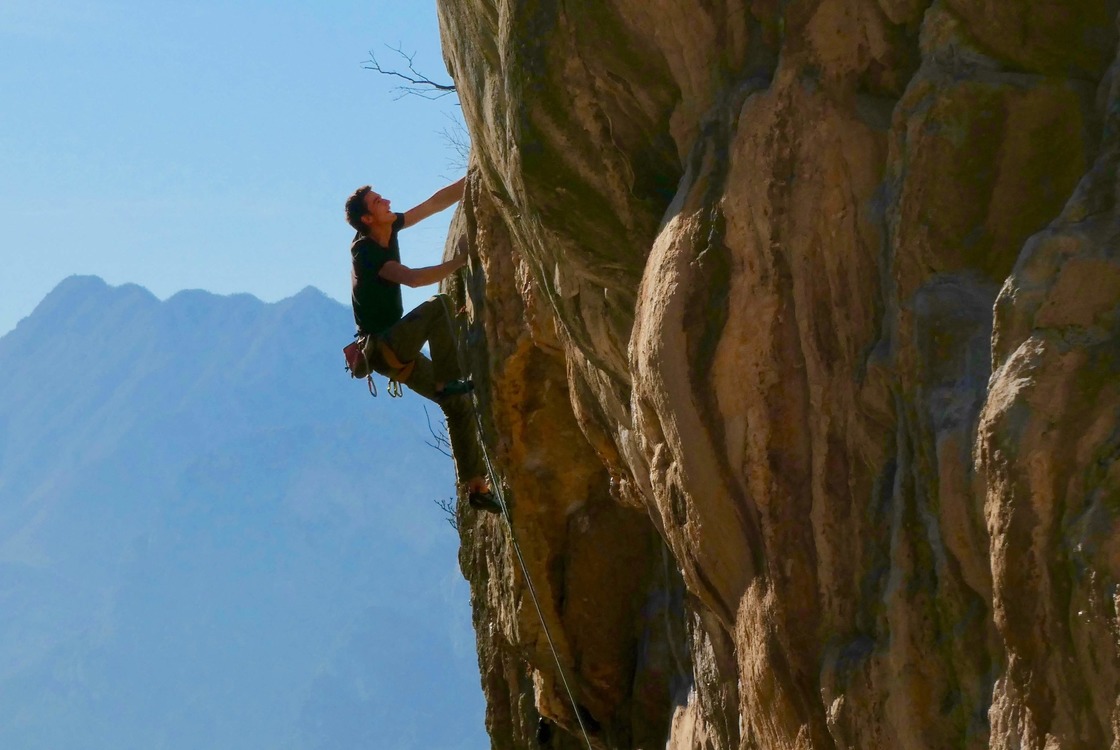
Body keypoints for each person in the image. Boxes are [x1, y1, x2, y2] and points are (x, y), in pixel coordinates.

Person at [344, 178, 500, 514]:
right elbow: (412, 279)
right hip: (385, 343)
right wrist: (458, 262)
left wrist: (473, 175)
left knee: (457, 406)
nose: (386, 201)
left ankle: (476, 487)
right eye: (377, 202)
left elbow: (432, 204)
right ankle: (447, 378)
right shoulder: (366, 252)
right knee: (439, 306)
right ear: (368, 220)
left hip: (393, 353)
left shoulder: (389, 228)